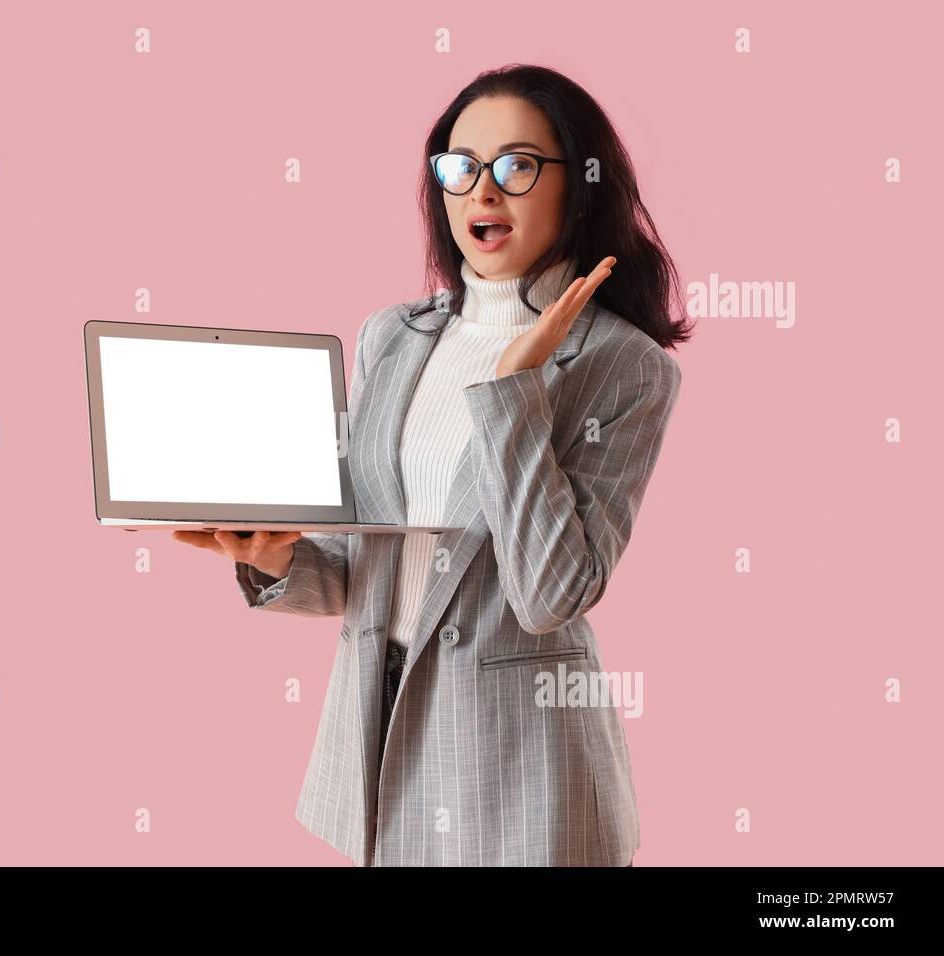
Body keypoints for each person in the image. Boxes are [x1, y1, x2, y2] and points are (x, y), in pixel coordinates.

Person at [174, 64, 691, 866]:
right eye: (460, 166)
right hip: (382, 747)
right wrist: (276, 558)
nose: (483, 190)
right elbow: (366, 563)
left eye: (518, 165)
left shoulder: (625, 367)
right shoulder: (393, 334)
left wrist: (514, 390)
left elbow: (551, 594)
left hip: (522, 768)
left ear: (579, 184)